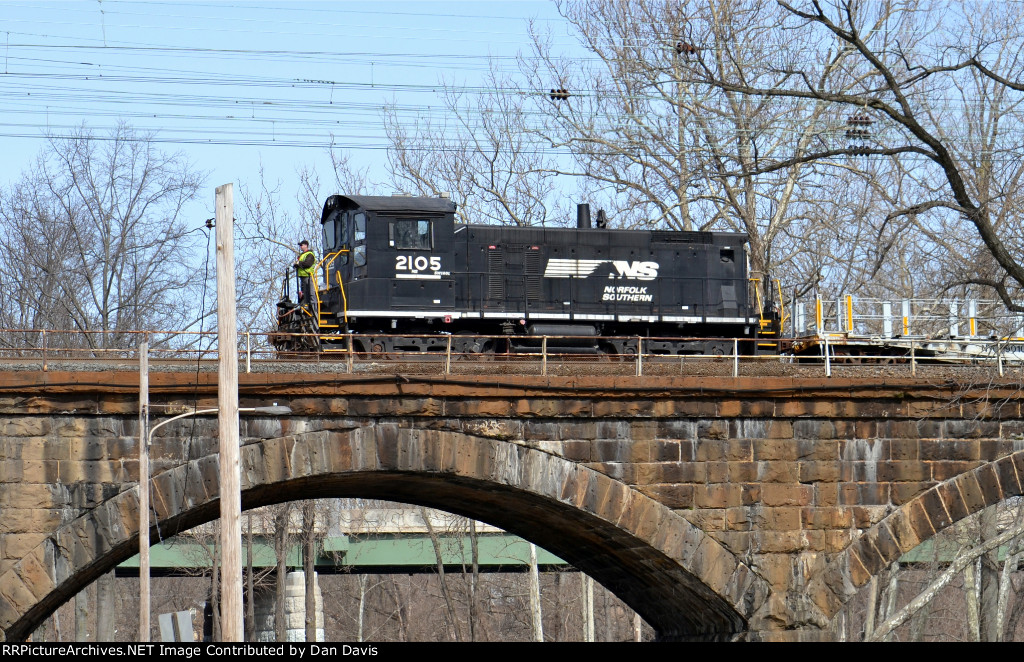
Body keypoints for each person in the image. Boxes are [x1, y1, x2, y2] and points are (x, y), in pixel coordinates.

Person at [294, 240, 316, 310]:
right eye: (300, 245)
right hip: (302, 276)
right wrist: (296, 264)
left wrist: (299, 263)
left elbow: (308, 264)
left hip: (308, 275)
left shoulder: (310, 254)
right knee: (304, 293)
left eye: (302, 245)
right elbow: (299, 264)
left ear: (306, 245)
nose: (300, 246)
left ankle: (314, 308)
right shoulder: (301, 255)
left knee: (310, 292)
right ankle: (305, 305)